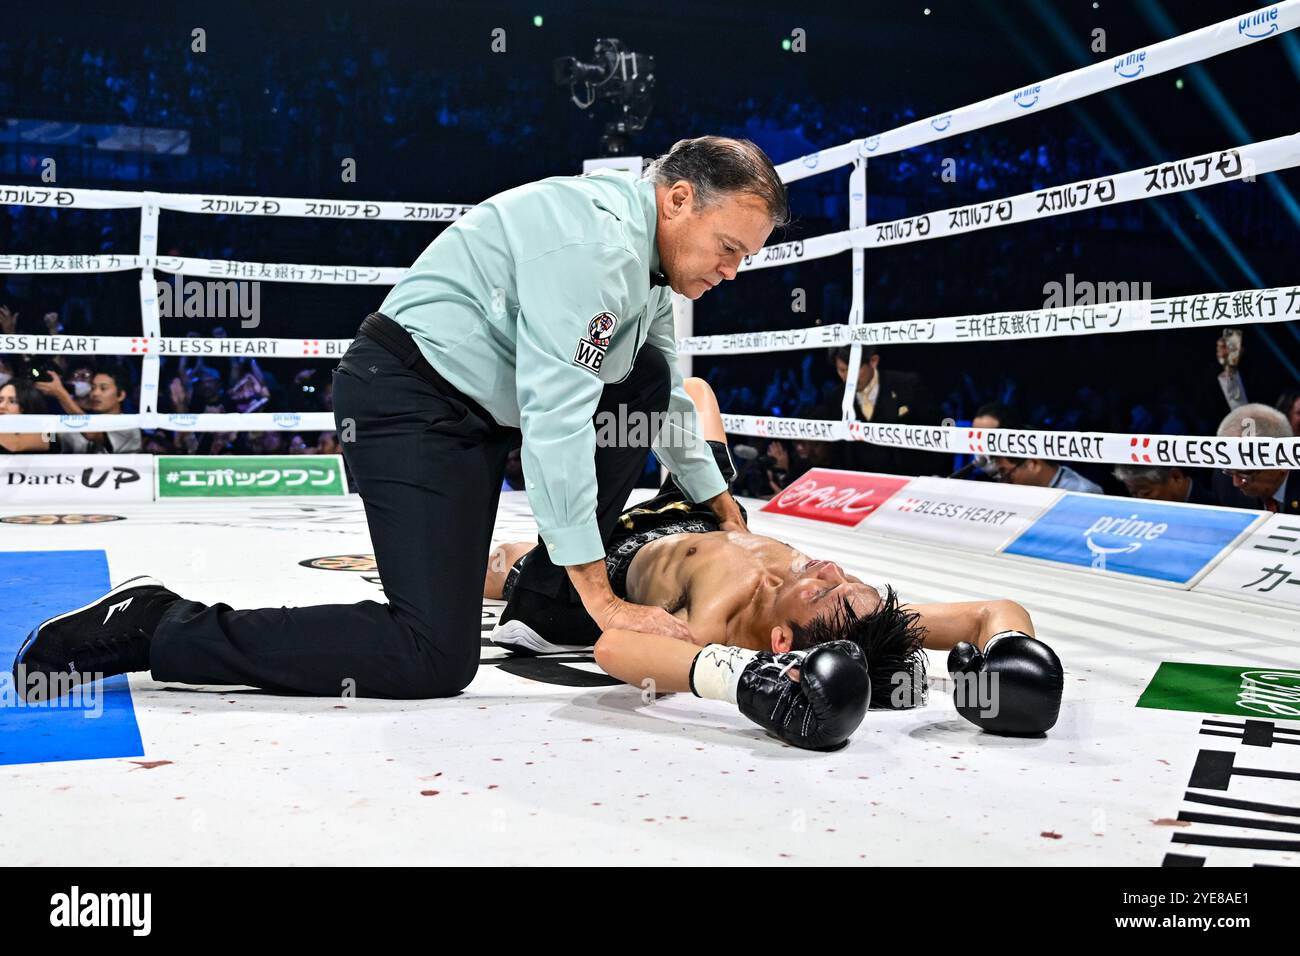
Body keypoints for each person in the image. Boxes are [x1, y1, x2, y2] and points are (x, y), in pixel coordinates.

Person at [14, 136, 786, 709]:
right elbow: (557, 418)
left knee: (644, 376)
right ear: (678, 197)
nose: (730, 271)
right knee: (431, 657)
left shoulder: (650, 269)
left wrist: (721, 505)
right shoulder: (594, 246)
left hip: (486, 408)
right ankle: (156, 622)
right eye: (727, 248)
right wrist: (606, 598)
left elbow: (663, 394)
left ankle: (548, 605)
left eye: (744, 259)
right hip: (409, 400)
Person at [486, 377, 1064, 740]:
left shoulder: (711, 630)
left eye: (820, 591)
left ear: (781, 644)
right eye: (846, 577)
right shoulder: (861, 615)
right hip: (705, 511)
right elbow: (994, 609)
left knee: (497, 568)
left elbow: (614, 647)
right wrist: (1010, 662)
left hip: (610, 552)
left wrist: (744, 683)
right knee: (694, 393)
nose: (829, 569)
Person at [820, 344, 940, 477]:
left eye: (853, 370)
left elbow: (939, 427)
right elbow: (838, 453)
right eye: (842, 370)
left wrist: (937, 474)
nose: (848, 378)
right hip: (862, 486)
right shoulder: (835, 398)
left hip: (910, 480)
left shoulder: (907, 385)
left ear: (873, 361)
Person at [1216, 403, 1299, 515]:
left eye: (1245, 472)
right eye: (1229, 471)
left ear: (1282, 461)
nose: (1236, 483)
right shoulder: (1225, 483)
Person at [1111, 464, 1218, 506]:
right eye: (1134, 494)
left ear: (1176, 477)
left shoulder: (1216, 505)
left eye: (1146, 493)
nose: (1140, 502)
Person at [0, 378, 53, 453]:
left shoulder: (48, 426)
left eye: (13, 401)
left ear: (27, 404)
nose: (2, 406)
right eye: (0, 400)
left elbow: (16, 445)